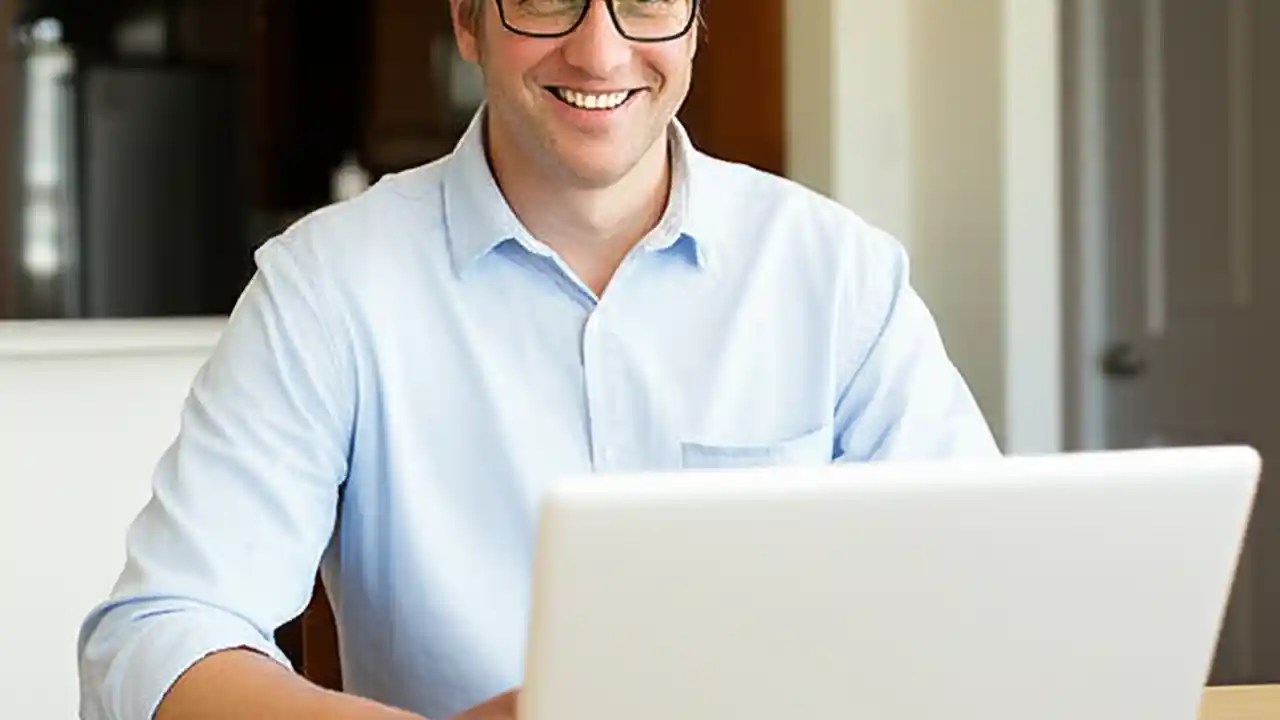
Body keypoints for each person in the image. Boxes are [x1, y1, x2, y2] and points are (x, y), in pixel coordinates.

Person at [77, 0, 998, 718]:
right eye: (547, 3)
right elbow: (158, 636)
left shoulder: (839, 276)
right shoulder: (325, 288)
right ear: (465, 21)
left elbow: (979, 593)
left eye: (642, 3)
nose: (599, 53)